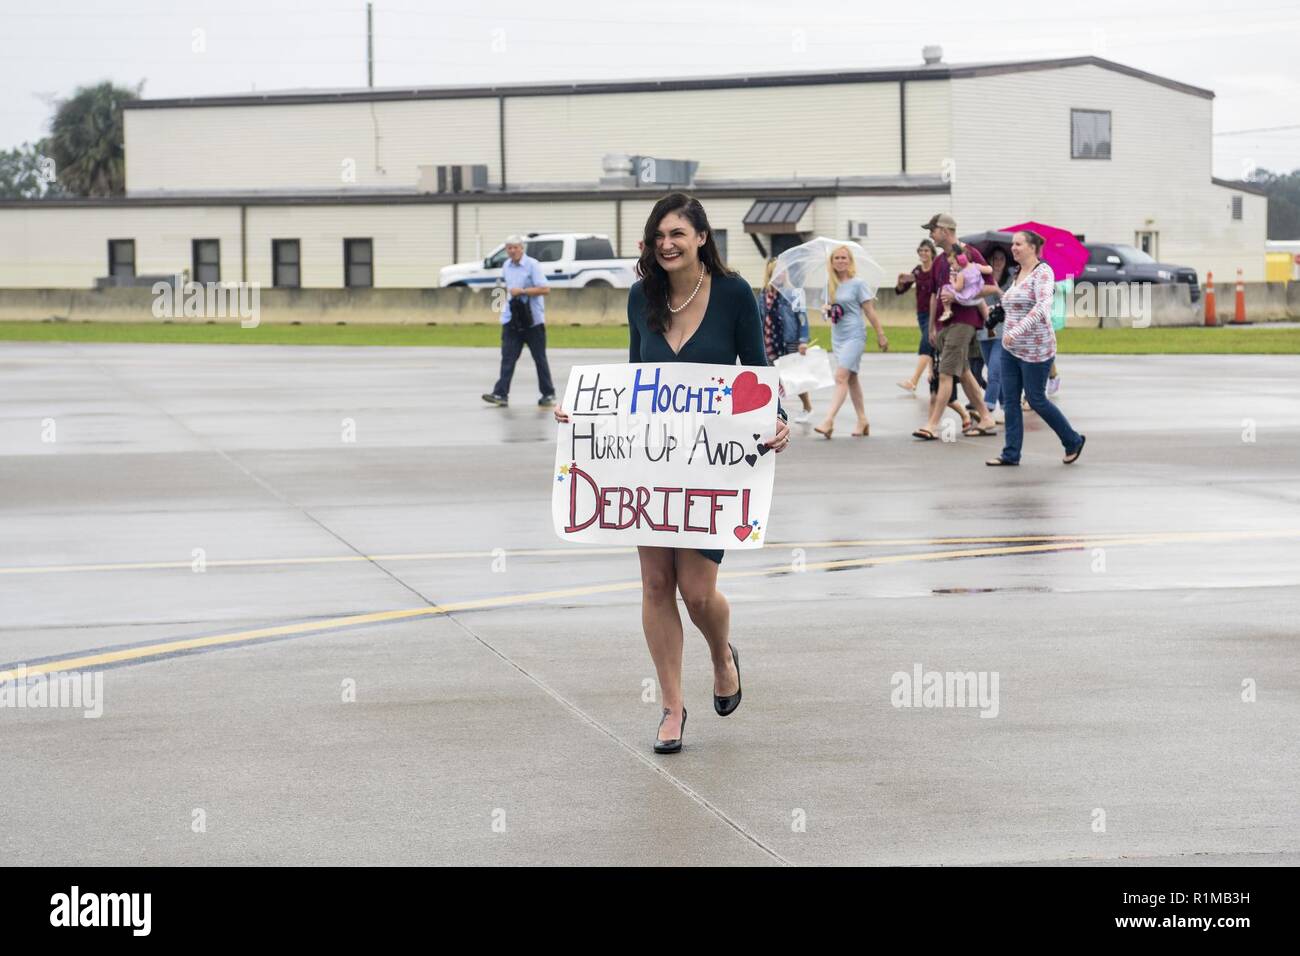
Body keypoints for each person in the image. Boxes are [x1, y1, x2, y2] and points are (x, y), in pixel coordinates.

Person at [554, 193, 790, 754]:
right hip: (649, 466)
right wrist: (583, 412)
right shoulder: (642, 297)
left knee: (697, 590)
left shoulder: (734, 294)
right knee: (657, 584)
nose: (667, 243)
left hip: (711, 467)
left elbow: (755, 368)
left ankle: (721, 654)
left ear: (701, 238)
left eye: (678, 233)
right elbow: (636, 382)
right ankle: (671, 706)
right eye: (659, 234)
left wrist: (777, 417)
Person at [986, 230, 1086, 466]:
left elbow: (1042, 307)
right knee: (1010, 401)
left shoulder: (1044, 272)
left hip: (1037, 349)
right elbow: (1013, 301)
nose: (1013, 248)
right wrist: (997, 312)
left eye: (1018, 244)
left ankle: (1072, 440)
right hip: (1011, 349)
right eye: (1013, 244)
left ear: (1032, 247)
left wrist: (1017, 330)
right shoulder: (1017, 272)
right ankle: (1010, 454)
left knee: (1036, 398)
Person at [912, 213, 997, 441]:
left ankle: (932, 424)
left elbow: (991, 287)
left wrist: (961, 296)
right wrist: (931, 327)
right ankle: (985, 418)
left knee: (946, 372)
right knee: (965, 371)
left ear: (945, 231)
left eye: (933, 229)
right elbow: (935, 295)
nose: (930, 234)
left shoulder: (969, 254)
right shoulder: (940, 261)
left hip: (964, 321)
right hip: (943, 324)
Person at [813, 244, 889, 438]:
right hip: (837, 336)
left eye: (844, 258)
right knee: (851, 378)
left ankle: (828, 420)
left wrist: (880, 334)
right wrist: (825, 310)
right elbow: (827, 312)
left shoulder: (858, 284)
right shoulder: (829, 285)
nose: (840, 261)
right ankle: (863, 420)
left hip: (854, 335)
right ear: (831, 262)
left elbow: (869, 311)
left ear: (850, 261)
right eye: (836, 258)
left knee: (840, 377)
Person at [481, 235, 555, 408]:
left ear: (522, 248)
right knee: (507, 358)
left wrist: (522, 291)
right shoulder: (506, 266)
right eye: (509, 248)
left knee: (539, 358)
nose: (512, 251)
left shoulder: (533, 265)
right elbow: (503, 289)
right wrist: (499, 309)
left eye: (515, 247)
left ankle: (548, 393)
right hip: (512, 319)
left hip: (532, 320)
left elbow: (545, 289)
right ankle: (501, 393)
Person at [759, 258, 813, 422]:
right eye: (775, 271)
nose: (779, 274)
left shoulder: (794, 293)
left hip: (789, 341)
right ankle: (774, 410)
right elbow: (759, 318)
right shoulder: (763, 295)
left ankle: (807, 407)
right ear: (769, 273)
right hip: (769, 343)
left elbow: (802, 318)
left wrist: (803, 340)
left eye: (782, 271)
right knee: (771, 377)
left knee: (794, 378)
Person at [895, 239, 937, 392]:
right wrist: (900, 282)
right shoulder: (918, 271)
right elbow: (901, 289)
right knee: (931, 343)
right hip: (922, 314)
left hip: (936, 313)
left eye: (926, 250)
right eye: (921, 250)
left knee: (926, 342)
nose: (923, 253)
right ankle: (932, 373)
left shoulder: (936, 268)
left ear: (932, 252)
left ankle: (913, 381)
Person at [978, 246, 1012, 423]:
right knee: (995, 373)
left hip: (1003, 332)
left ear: (1006, 262)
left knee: (994, 372)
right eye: (995, 258)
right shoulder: (982, 279)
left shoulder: (1012, 278)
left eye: (1002, 259)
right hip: (984, 332)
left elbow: (1013, 302)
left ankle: (987, 409)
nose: (998, 262)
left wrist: (998, 291)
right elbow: (975, 297)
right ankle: (1007, 408)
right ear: (989, 261)